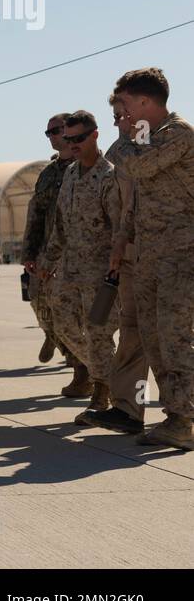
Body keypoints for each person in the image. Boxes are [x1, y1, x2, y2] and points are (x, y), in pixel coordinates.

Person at [108, 68, 194, 450]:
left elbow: (137, 166)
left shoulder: (179, 134)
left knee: (176, 337)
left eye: (125, 105)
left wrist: (123, 136)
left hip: (183, 255)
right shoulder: (146, 138)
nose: (121, 114)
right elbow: (132, 187)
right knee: (154, 337)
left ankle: (186, 417)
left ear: (145, 102)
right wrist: (122, 240)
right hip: (150, 256)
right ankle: (177, 415)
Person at [40, 111, 122, 418]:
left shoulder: (110, 176)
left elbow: (119, 226)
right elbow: (61, 223)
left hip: (102, 273)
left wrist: (117, 267)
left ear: (94, 135)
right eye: (68, 138)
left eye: (78, 138)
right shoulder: (71, 174)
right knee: (61, 323)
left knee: (99, 330)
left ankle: (101, 392)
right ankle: (107, 373)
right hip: (70, 268)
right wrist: (48, 259)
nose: (72, 144)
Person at [83, 96, 149, 434]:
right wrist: (118, 246)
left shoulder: (166, 143)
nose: (116, 122)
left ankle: (181, 412)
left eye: (121, 115)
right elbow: (122, 207)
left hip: (166, 257)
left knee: (169, 338)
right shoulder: (121, 150)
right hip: (130, 256)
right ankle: (129, 410)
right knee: (132, 335)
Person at [23, 113, 83, 378]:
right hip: (49, 253)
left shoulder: (88, 166)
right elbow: (35, 213)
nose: (52, 137)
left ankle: (84, 372)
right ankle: (54, 338)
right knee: (40, 303)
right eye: (48, 133)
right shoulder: (48, 173)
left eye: (56, 131)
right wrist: (29, 252)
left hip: (81, 255)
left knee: (78, 316)